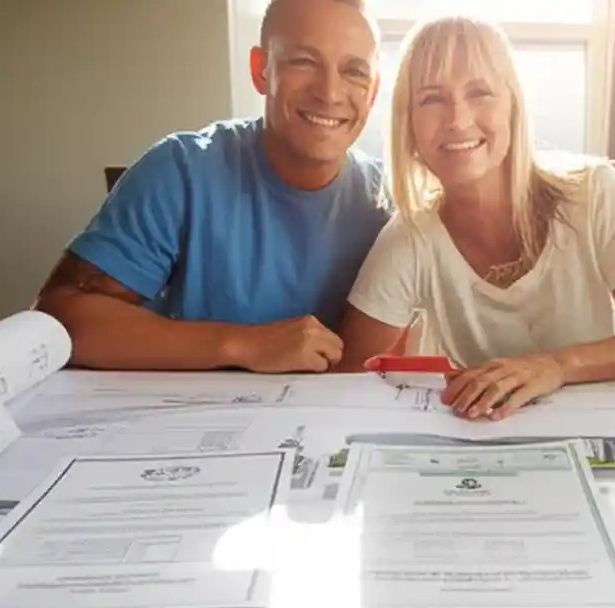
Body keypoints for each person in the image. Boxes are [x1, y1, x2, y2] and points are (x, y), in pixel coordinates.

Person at [339, 15, 615, 420]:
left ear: (513, 106)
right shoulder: (410, 236)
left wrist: (555, 366)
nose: (458, 119)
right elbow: (348, 377)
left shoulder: (596, 191)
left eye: (479, 92)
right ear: (408, 125)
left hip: (597, 432)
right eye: (432, 99)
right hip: (483, 445)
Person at [34, 0, 390, 373]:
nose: (330, 93)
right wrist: (243, 344)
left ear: (374, 89)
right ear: (261, 69)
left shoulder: (392, 204)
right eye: (304, 61)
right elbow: (58, 317)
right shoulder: (180, 170)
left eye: (354, 71)